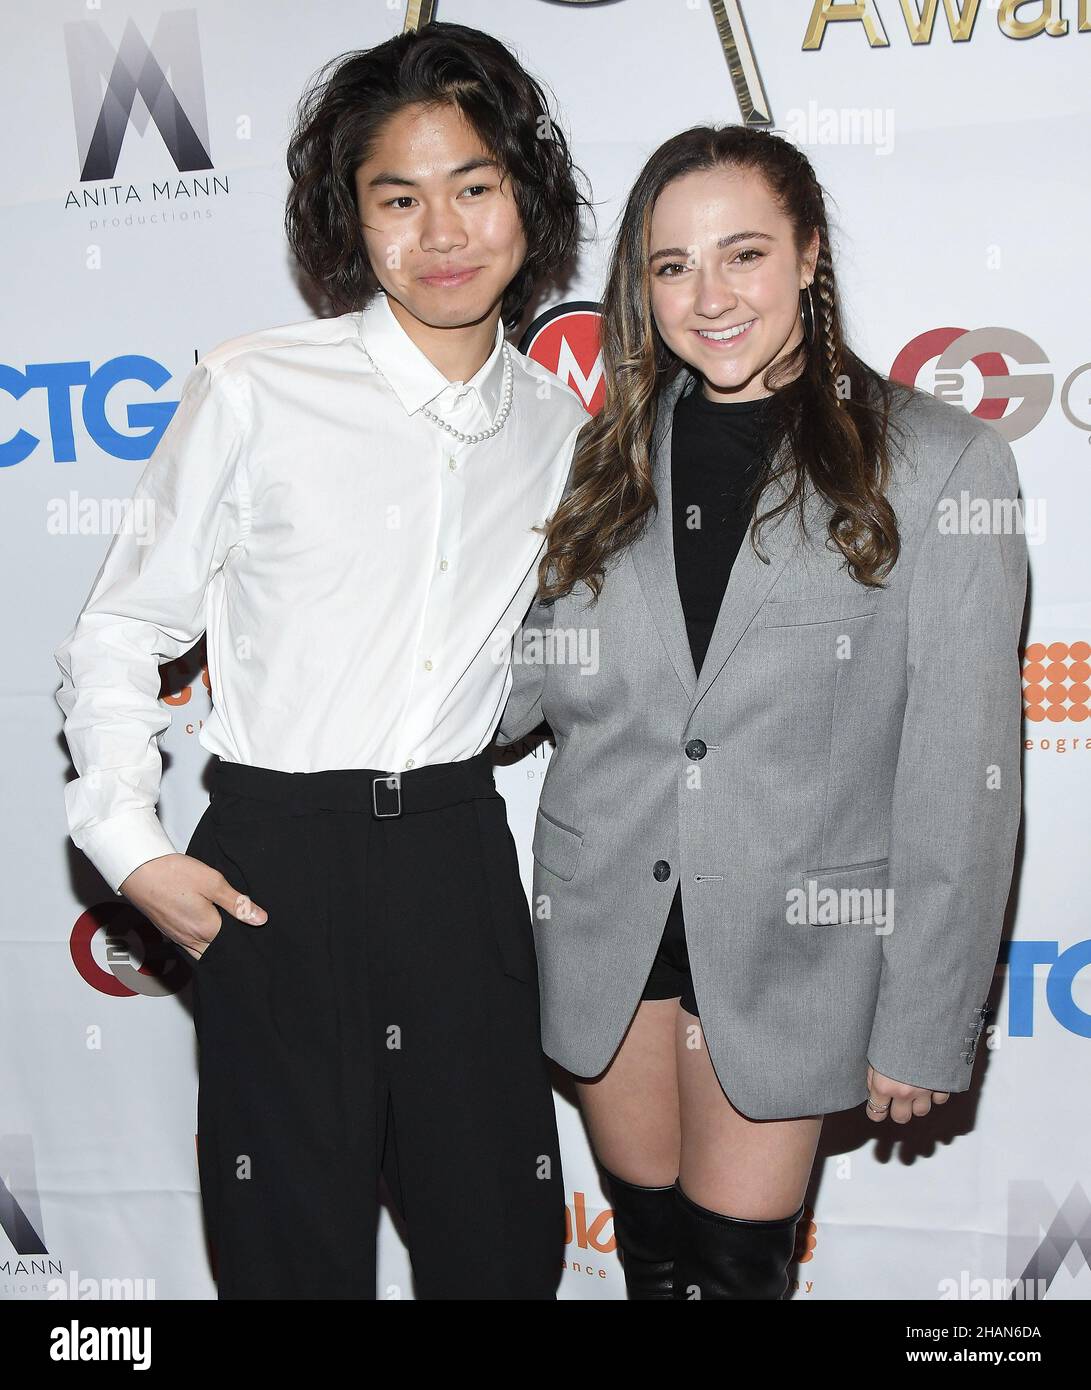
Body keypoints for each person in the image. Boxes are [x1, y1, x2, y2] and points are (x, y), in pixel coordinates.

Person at [54, 22, 590, 1300]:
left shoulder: (561, 428)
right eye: (397, 198)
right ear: (350, 220)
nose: (443, 232)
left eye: (473, 185)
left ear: (524, 193)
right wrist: (129, 844)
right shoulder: (251, 389)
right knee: (289, 1256)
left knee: (499, 1252)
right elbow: (123, 629)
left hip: (457, 862)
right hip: (273, 860)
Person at [496, 124, 1027, 1301]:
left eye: (742, 254)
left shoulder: (937, 464)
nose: (707, 296)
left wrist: (923, 1019)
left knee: (735, 1274)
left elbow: (960, 774)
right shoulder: (596, 457)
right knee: (651, 1259)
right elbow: (513, 693)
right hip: (607, 929)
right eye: (670, 266)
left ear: (807, 256)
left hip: (795, 943)